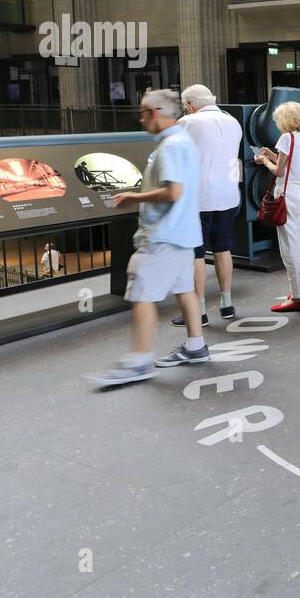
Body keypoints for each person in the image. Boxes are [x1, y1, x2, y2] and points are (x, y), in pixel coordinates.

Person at [94, 89, 207, 384]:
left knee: (141, 292)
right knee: (185, 289)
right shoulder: (183, 141)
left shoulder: (171, 145)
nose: (141, 118)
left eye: (144, 112)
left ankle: (140, 361)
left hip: (164, 235)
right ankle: (196, 346)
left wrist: (134, 197)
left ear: (155, 112)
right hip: (183, 232)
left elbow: (173, 192)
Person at [177, 84, 243, 325]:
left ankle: (199, 312)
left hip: (197, 198)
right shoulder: (232, 122)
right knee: (222, 249)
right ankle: (227, 304)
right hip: (227, 195)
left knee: (196, 253)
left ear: (190, 105)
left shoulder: (187, 123)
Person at [256, 101, 300, 312]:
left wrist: (264, 160)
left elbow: (279, 172)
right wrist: (273, 156)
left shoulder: (286, 138)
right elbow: (294, 164)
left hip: (287, 193)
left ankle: (298, 297)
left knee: (290, 247)